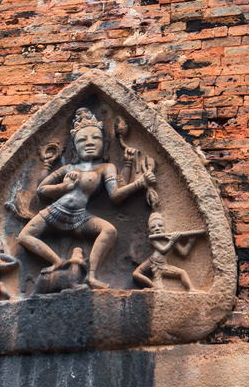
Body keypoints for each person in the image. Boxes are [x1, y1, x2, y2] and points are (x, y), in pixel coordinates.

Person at [18, 108, 154, 290]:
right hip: (55, 212)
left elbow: (115, 196)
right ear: (74, 147)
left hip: (79, 217)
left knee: (109, 231)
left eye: (96, 138)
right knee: (24, 236)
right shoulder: (68, 168)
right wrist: (64, 187)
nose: (90, 142)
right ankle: (57, 261)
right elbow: (41, 190)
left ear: (104, 144)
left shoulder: (106, 168)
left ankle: (91, 276)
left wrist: (139, 183)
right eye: (82, 140)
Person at [133, 212, 203, 291]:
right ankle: (152, 286)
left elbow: (183, 253)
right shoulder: (154, 240)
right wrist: (172, 241)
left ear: (164, 227)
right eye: (153, 227)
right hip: (153, 262)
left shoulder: (170, 237)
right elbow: (163, 250)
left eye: (160, 225)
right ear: (150, 231)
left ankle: (191, 289)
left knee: (182, 272)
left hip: (163, 266)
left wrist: (190, 242)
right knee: (136, 274)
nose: (157, 228)